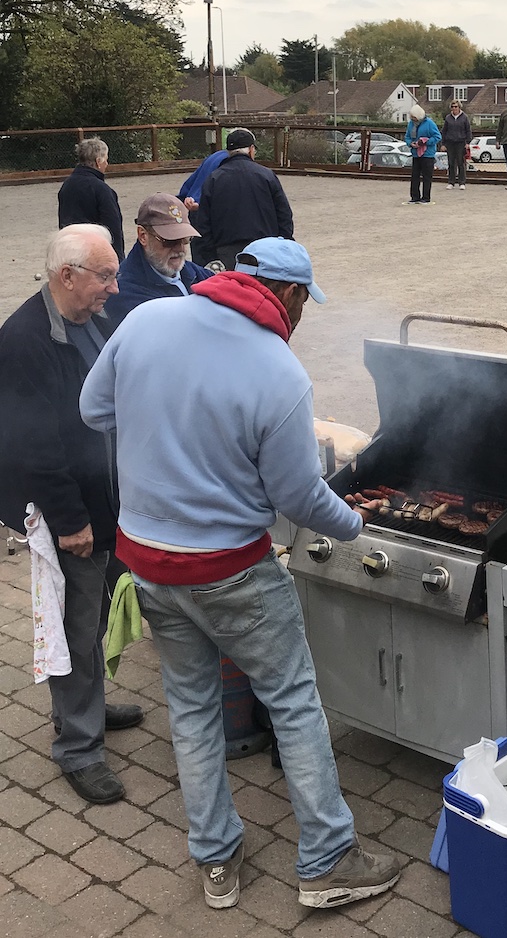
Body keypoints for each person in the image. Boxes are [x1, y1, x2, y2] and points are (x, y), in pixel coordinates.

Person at [80, 238, 400, 912]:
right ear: (286, 296)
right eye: (305, 302)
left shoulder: (146, 320)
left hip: (147, 563)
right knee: (292, 700)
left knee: (193, 709)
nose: (303, 315)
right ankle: (326, 859)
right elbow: (299, 500)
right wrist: (356, 525)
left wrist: (160, 435)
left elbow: (94, 409)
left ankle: (217, 862)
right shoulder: (278, 373)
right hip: (231, 571)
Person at [0, 226, 143, 805]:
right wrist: (70, 521)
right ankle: (78, 746)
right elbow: (33, 446)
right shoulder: (24, 340)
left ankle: (87, 707)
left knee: (96, 612)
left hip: (105, 499)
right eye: (105, 276)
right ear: (67, 277)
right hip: (67, 510)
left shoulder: (93, 322)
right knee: (75, 625)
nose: (114, 287)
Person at [105, 193, 213, 328]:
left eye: (185, 239)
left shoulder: (195, 273)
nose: (180, 248)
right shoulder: (124, 292)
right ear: (142, 236)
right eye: (169, 241)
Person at [193, 128, 294, 268]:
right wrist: (283, 244)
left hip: (226, 253)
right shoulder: (267, 175)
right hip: (265, 250)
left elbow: (203, 222)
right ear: (251, 150)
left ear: (228, 152)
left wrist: (212, 256)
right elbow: (284, 214)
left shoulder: (213, 179)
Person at [57, 137, 125, 259]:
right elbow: (113, 228)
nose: (107, 164)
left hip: (71, 250)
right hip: (95, 253)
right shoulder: (102, 190)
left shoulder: (67, 185)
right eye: (106, 160)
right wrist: (118, 259)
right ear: (99, 162)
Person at [404, 104, 442, 205]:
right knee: (415, 176)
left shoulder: (429, 123)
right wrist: (410, 143)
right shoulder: (411, 124)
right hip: (416, 153)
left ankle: (426, 197)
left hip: (427, 154)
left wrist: (426, 142)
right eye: (411, 117)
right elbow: (407, 137)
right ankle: (415, 197)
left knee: (427, 177)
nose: (413, 119)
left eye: (414, 117)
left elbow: (437, 136)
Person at [441, 99, 472, 190]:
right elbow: (444, 131)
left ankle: (462, 182)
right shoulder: (448, 118)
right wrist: (443, 144)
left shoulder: (464, 117)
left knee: (460, 162)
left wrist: (467, 142)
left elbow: (468, 130)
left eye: (456, 107)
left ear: (459, 107)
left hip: (460, 143)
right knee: (451, 163)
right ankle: (451, 182)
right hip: (450, 143)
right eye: (452, 107)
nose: (454, 108)